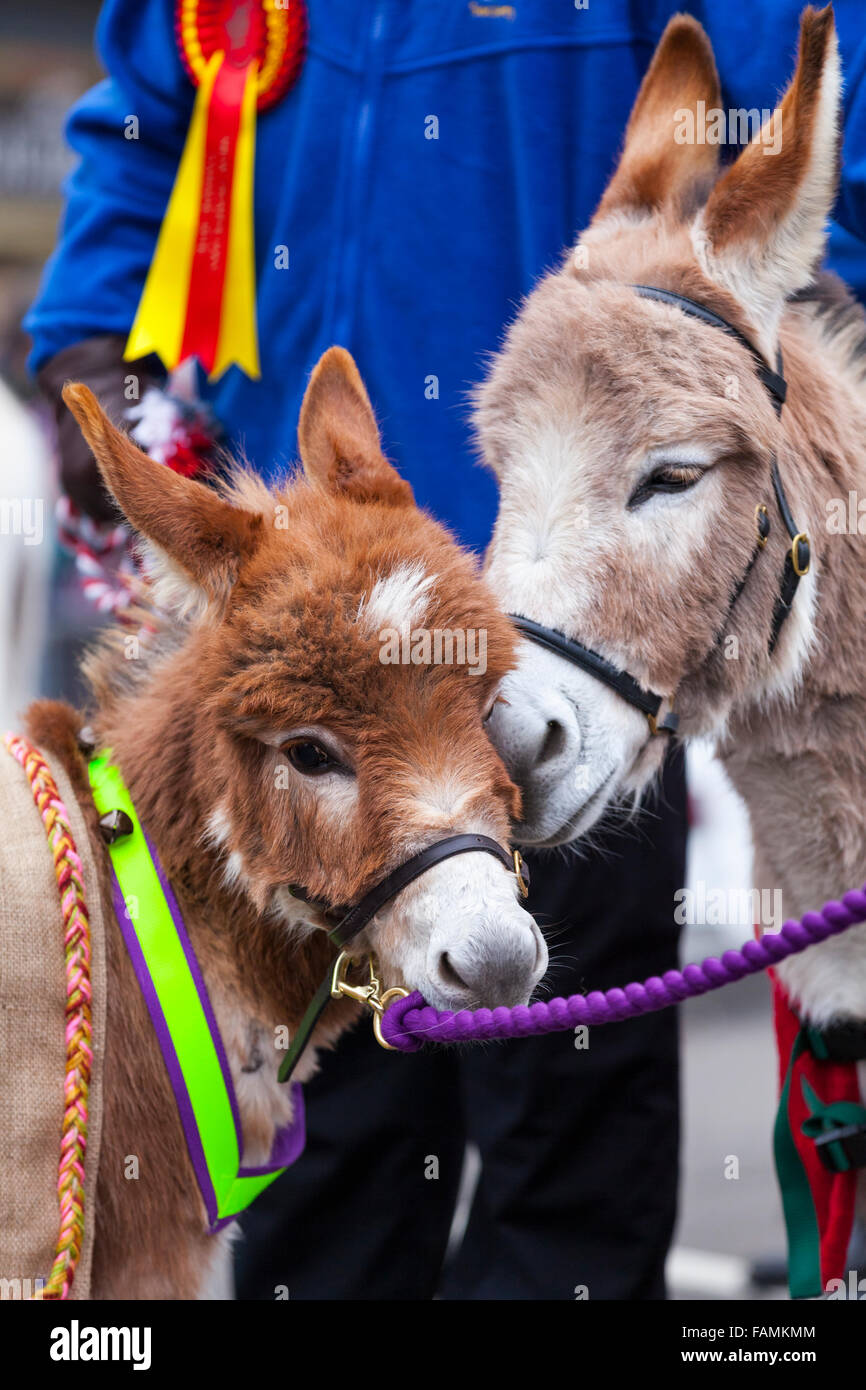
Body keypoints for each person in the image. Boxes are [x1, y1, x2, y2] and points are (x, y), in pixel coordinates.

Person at [25, 1, 866, 1300]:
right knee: (314, 1159)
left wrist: (747, 378)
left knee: (564, 1147)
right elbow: (147, 123)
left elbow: (805, 128)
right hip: (308, 645)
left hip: (556, 643)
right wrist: (97, 331)